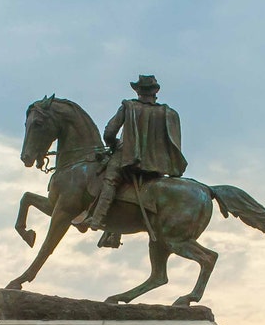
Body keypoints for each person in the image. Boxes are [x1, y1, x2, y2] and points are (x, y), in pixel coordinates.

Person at [80, 75, 187, 231]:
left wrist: (114, 145)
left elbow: (109, 133)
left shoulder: (129, 107)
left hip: (129, 159)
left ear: (138, 91)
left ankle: (97, 219)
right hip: (156, 167)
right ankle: (114, 233)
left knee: (110, 181)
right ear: (154, 92)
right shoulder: (168, 113)